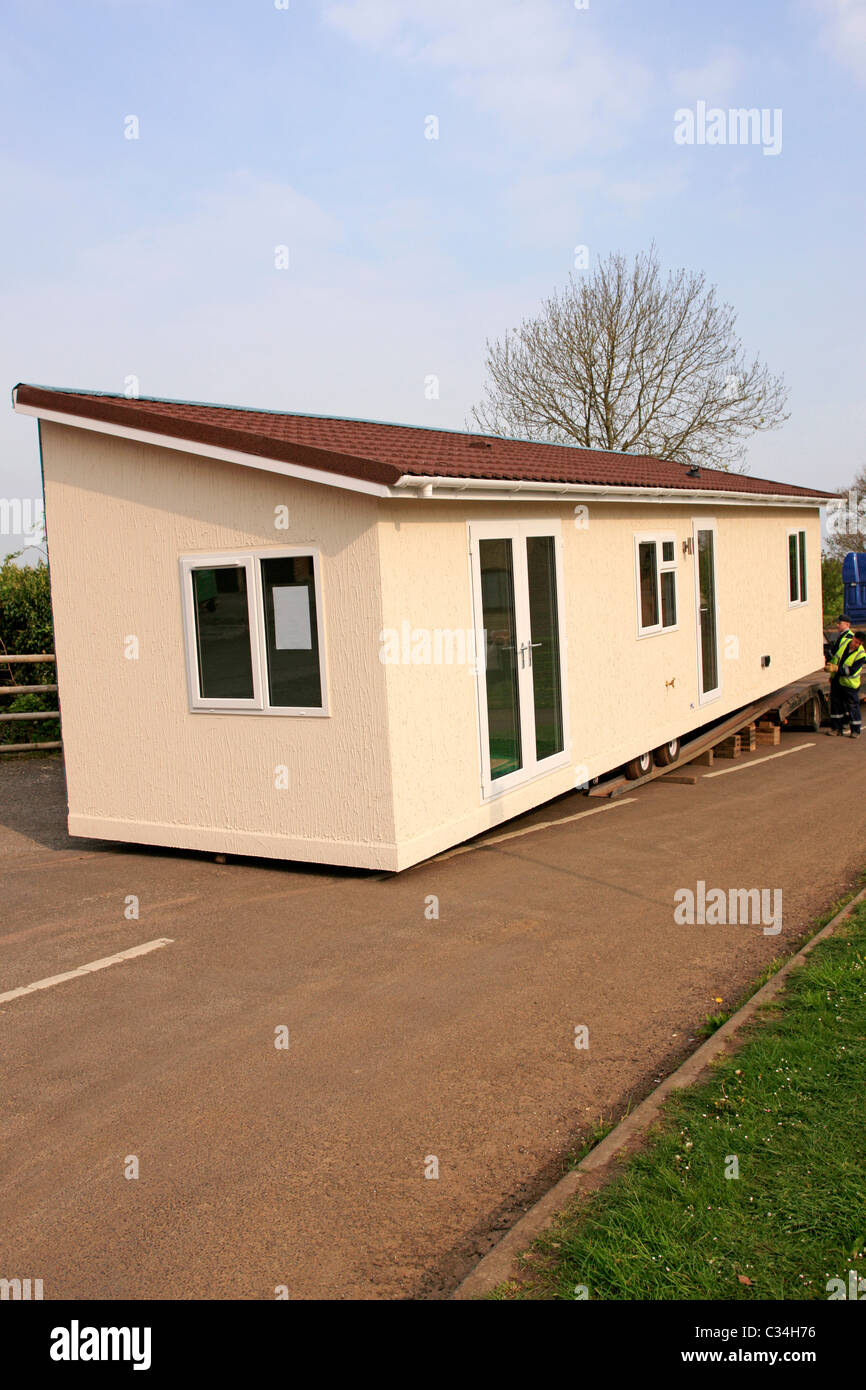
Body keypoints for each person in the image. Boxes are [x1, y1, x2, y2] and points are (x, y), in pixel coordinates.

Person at [827, 623, 865, 737]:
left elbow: (851, 671)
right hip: (837, 680)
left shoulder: (861, 654)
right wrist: (828, 664)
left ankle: (855, 731)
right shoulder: (843, 642)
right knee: (836, 705)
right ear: (853, 638)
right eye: (855, 641)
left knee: (853, 707)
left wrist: (836, 669)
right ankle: (836, 729)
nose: (856, 644)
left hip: (850, 684)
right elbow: (832, 654)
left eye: (859, 643)